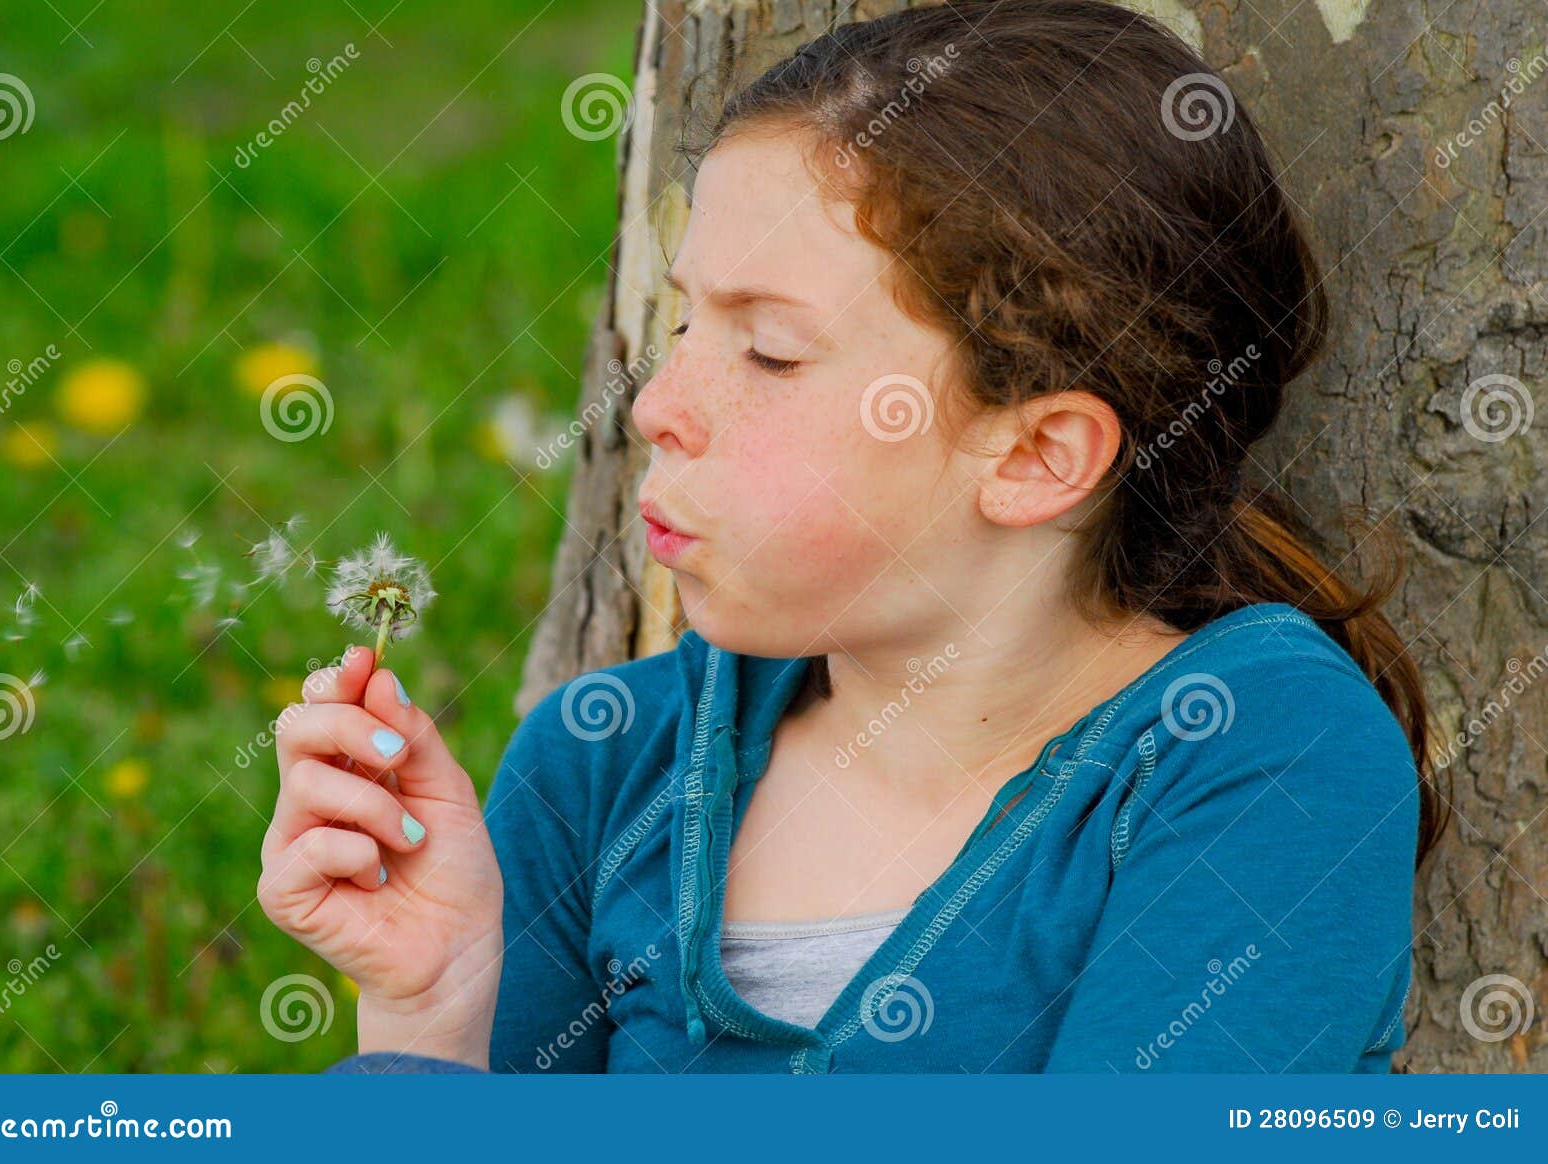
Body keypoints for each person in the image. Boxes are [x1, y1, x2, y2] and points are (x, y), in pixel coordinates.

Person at [258, 0, 1449, 1073]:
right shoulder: (603, 764)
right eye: (682, 324)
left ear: (1035, 456)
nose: (655, 406)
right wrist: (430, 1017)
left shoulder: (1254, 759)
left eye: (771, 353)